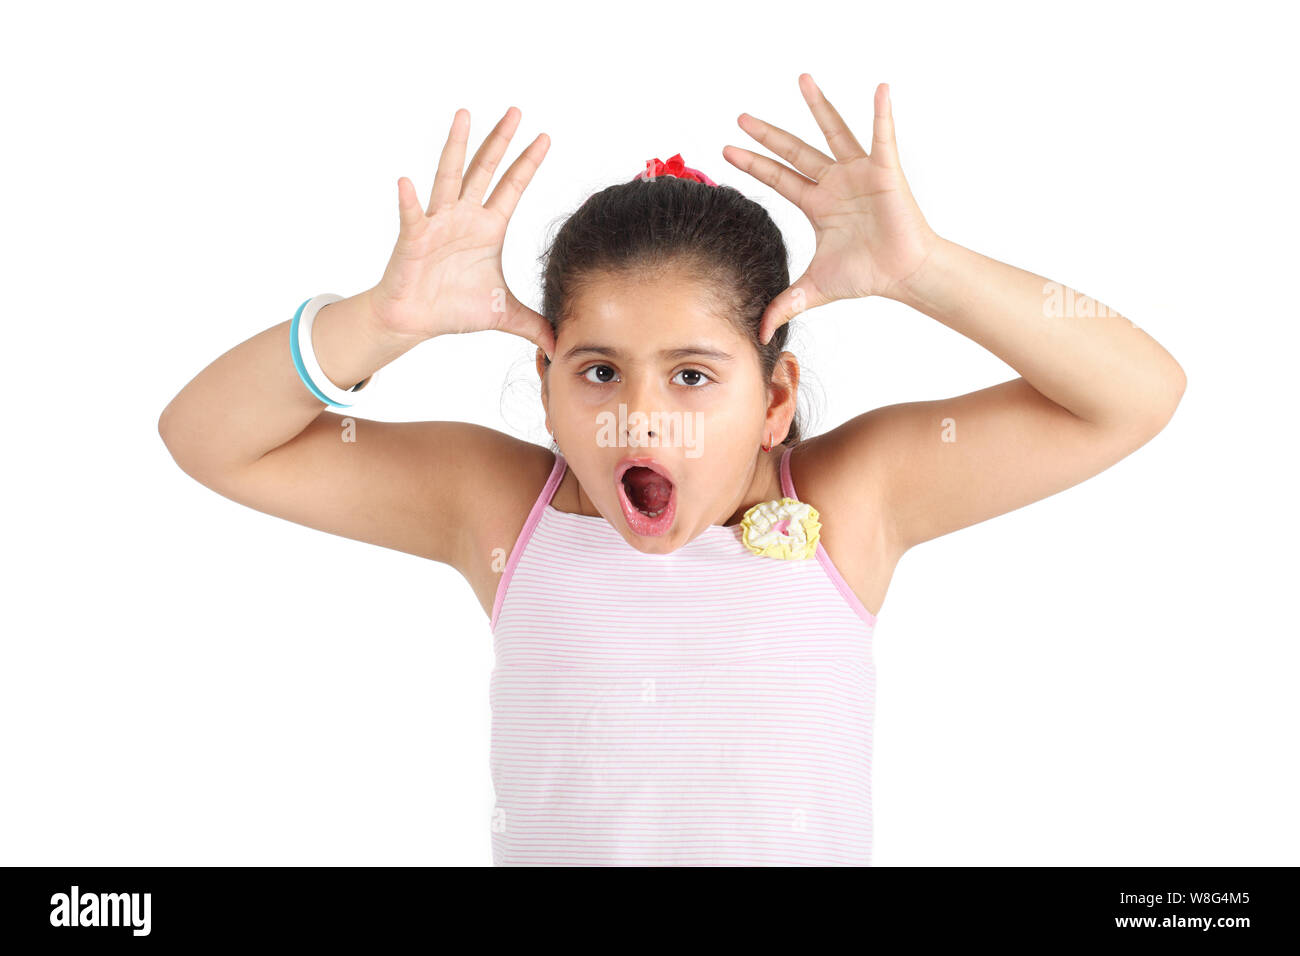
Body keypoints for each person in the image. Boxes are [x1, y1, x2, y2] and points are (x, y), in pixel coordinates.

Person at [158, 75, 1186, 866]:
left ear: (773, 397)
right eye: (597, 370)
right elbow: (209, 437)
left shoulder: (851, 497)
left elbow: (1133, 393)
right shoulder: (501, 508)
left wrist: (929, 273)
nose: (639, 415)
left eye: (693, 374)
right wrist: (375, 324)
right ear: (546, 384)